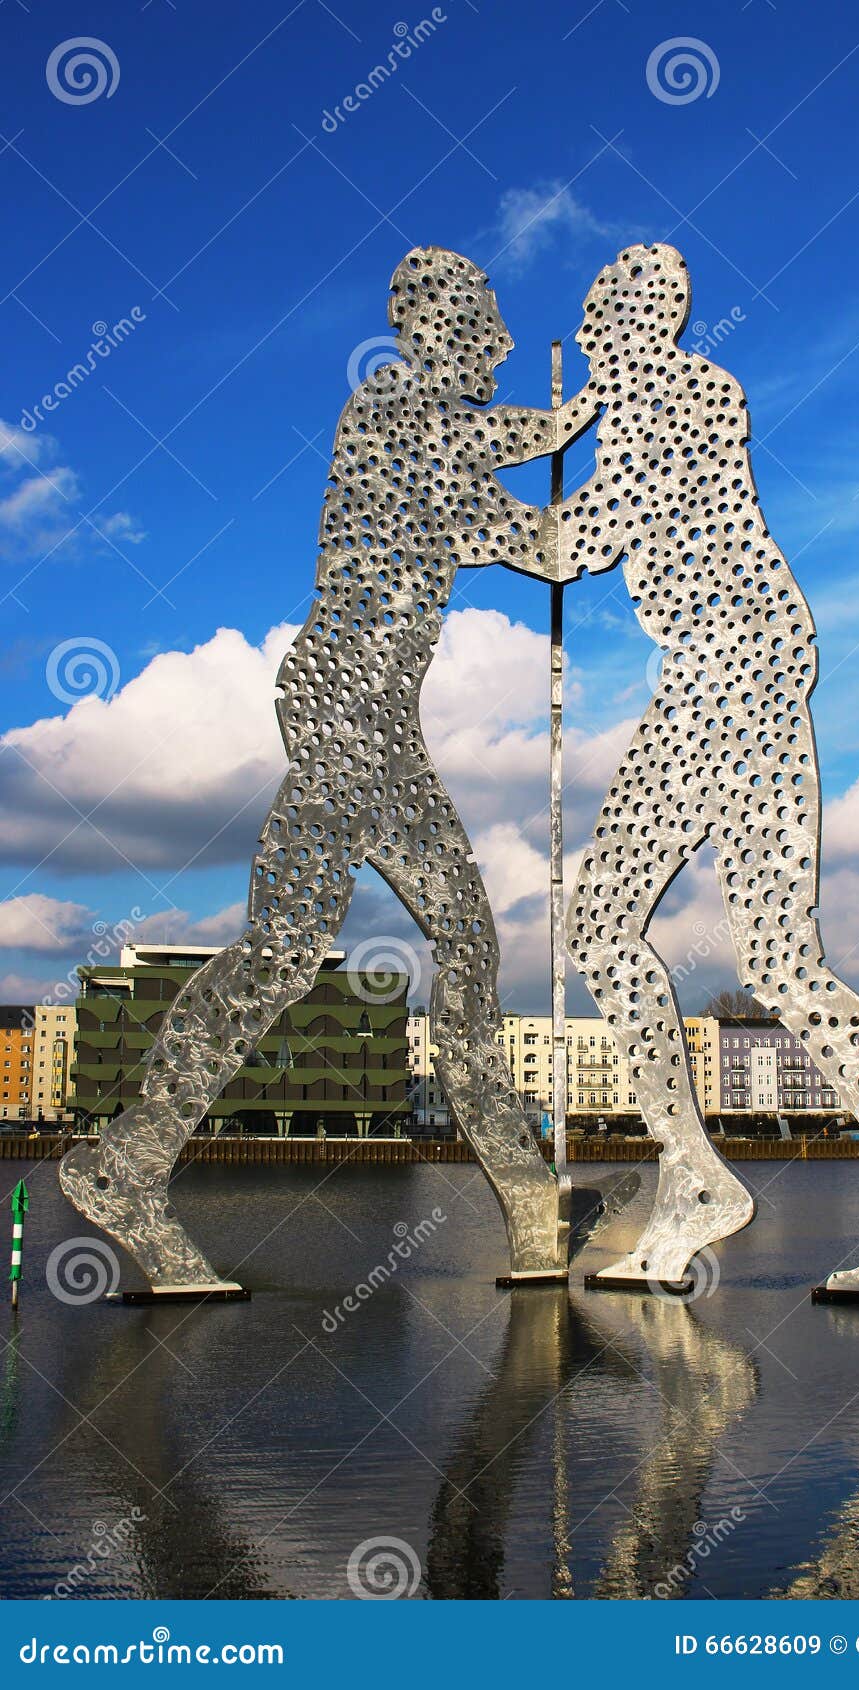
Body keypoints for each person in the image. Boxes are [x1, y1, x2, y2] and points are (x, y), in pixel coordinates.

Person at [60, 248, 598, 1289]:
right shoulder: (392, 409)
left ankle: (527, 1200)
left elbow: (524, 505)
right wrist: (591, 426)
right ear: (438, 327)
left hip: (375, 721)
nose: (497, 340)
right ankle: (132, 1161)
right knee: (332, 947)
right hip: (346, 711)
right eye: (483, 320)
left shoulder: (432, 434)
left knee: (405, 945)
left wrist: (577, 443)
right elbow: (532, 531)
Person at [550, 243, 859, 1298]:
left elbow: (580, 539)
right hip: (740, 676)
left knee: (608, 928)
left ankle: (708, 1180)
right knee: (776, 963)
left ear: (625, 330)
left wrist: (456, 514)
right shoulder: (681, 396)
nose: (596, 357)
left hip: (722, 678)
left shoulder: (672, 399)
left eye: (600, 335)